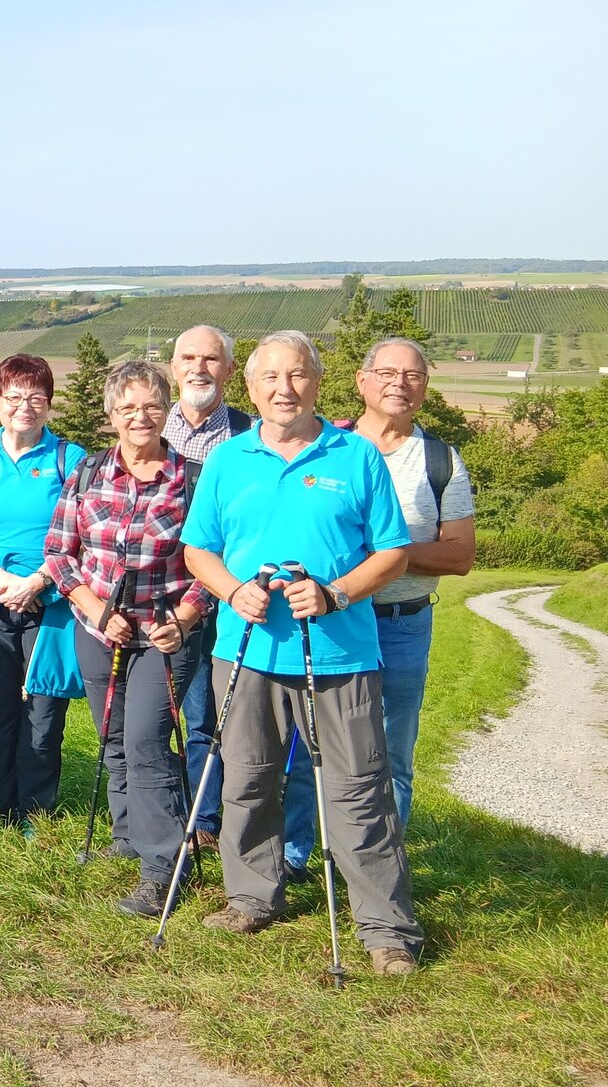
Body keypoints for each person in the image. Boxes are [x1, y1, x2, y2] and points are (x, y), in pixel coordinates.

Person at [181, 330, 423, 975]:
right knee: (248, 779)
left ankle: (385, 928)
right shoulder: (229, 460)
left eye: (297, 376)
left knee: (358, 789)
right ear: (250, 387)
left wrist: (337, 593)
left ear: (318, 382)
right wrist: (232, 592)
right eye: (269, 378)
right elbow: (197, 548)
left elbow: (393, 551)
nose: (283, 390)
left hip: (338, 654)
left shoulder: (356, 457)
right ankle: (252, 897)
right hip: (248, 649)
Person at [281, 337, 475, 875]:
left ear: (425, 388)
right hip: (330, 621)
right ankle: (296, 856)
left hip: (400, 624)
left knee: (389, 753)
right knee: (305, 745)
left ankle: (378, 864)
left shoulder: (439, 459)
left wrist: (384, 558)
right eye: (387, 372)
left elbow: (460, 556)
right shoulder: (325, 445)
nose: (399, 383)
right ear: (362, 382)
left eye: (413, 375)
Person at [42, 361, 209, 915]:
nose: (141, 417)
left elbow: (217, 563)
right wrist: (91, 606)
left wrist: (185, 618)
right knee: (113, 739)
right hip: (98, 629)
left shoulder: (195, 478)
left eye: (152, 406)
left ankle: (163, 867)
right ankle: (129, 834)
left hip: (165, 635)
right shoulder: (88, 474)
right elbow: (60, 554)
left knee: (144, 743)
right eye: (128, 408)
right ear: (111, 416)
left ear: (167, 410)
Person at [0, 355, 88, 827]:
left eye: (36, 398)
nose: (24, 407)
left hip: (52, 603)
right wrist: (1, 581)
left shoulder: (70, 458)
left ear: (48, 404)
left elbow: (83, 534)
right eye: (14, 397)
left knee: (44, 710)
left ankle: (36, 806)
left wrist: (38, 580)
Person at [163, 326, 253, 855]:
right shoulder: (150, 429)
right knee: (158, 711)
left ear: (228, 369)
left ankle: (206, 818)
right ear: (172, 366)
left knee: (212, 715)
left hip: (232, 598)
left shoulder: (250, 435)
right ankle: (162, 808)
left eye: (211, 359)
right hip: (162, 597)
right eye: (189, 357)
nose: (199, 367)